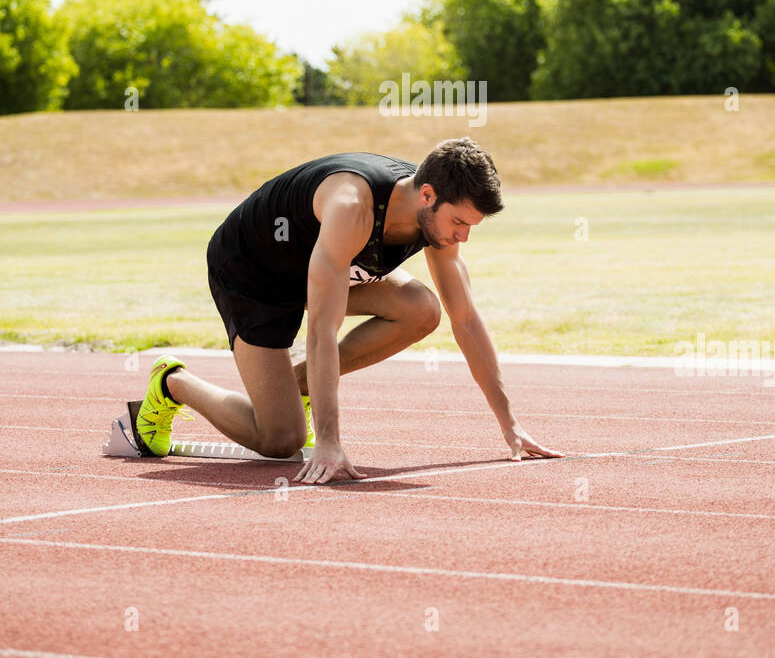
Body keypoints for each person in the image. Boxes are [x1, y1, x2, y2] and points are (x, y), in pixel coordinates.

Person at [135, 136, 562, 484]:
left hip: (318, 269)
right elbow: (322, 329)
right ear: (427, 195)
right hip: (253, 273)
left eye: (471, 226)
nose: (464, 237)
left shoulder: (433, 219)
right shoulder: (353, 207)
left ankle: (296, 385)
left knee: (421, 309)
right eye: (459, 223)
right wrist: (328, 442)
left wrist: (510, 425)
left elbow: (464, 319)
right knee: (281, 438)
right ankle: (172, 382)